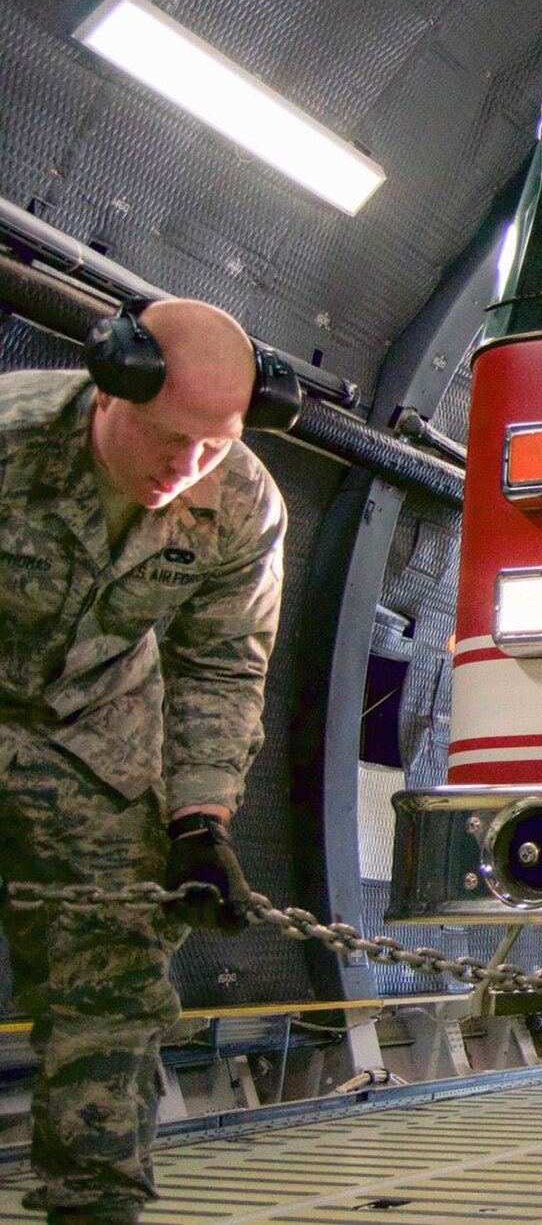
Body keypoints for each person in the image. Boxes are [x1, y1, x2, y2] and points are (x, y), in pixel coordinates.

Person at [0, 298, 289, 1225]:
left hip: (97, 743)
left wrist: (198, 817)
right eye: (171, 437)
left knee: (116, 983)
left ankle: (93, 1206)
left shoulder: (242, 501)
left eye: (214, 444)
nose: (188, 467)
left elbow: (221, 664)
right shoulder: (11, 442)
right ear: (111, 386)